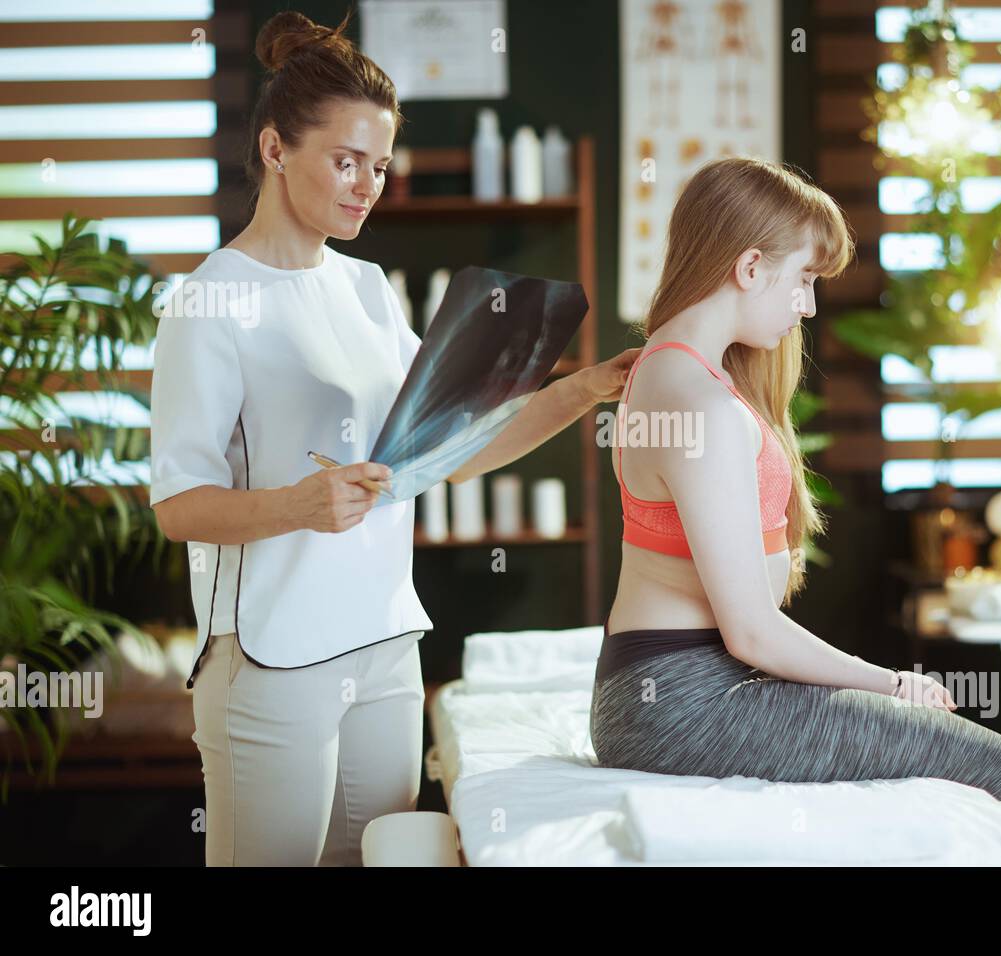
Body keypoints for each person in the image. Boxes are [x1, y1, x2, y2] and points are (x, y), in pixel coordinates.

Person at [149, 10, 636, 866]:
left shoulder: (370, 288)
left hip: (383, 645)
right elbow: (178, 508)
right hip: (269, 659)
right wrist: (296, 505)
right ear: (273, 149)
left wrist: (584, 389)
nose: (367, 184)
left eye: (378, 165)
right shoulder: (209, 300)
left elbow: (451, 448)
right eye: (345, 161)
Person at [589, 156, 1001, 804]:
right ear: (749, 268)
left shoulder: (667, 371)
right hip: (683, 700)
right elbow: (750, 631)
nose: (806, 307)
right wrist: (889, 683)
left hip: (665, 686)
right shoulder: (700, 402)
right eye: (802, 279)